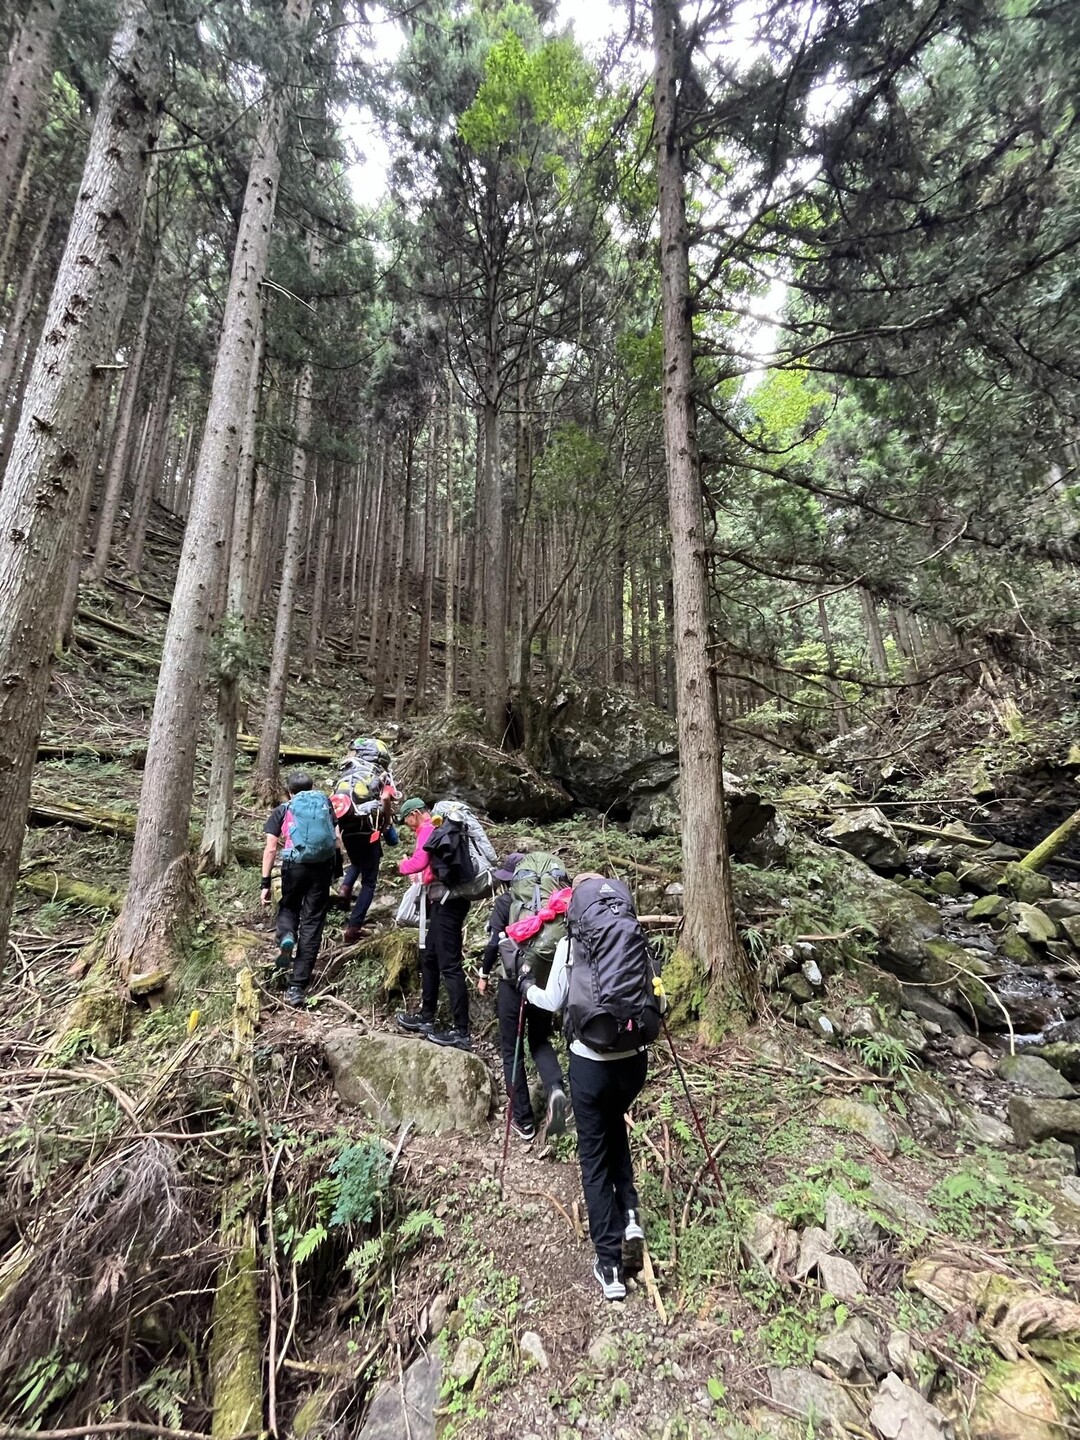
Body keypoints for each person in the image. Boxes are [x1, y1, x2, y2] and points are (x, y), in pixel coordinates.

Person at [523, 872, 660, 1302]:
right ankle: (631, 1214)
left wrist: (525, 983)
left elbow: (553, 999)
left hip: (590, 1066)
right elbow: (660, 997)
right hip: (633, 1063)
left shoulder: (572, 945)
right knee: (615, 1127)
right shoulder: (635, 937)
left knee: (594, 1159)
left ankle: (609, 1266)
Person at [479, 853, 567, 1143]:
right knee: (539, 1039)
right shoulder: (554, 899)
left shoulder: (506, 902)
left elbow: (494, 942)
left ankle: (524, 1121)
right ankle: (555, 1088)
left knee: (511, 1049)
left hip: (512, 981)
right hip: (542, 981)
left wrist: (483, 972)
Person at [394, 798, 472, 1051]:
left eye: (407, 820)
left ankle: (461, 1031)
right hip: (443, 900)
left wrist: (401, 867)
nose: (407, 826)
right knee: (429, 957)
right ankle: (426, 1016)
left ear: (415, 814)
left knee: (449, 965)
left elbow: (419, 862)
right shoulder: (435, 829)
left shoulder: (427, 829)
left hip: (449, 902)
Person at [261, 771, 338, 1007]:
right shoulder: (324, 804)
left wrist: (265, 882)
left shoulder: (284, 809)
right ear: (311, 786)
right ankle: (297, 987)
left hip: (295, 866)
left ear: (289, 791)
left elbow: (271, 848)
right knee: (313, 922)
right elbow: (335, 837)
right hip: (322, 867)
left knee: (289, 906)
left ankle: (286, 936)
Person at [337, 784, 399, 944]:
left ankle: (345, 888)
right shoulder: (379, 778)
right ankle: (354, 927)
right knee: (369, 883)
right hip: (369, 835)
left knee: (356, 862)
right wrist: (386, 820)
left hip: (349, 833)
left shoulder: (348, 782)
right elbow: (385, 798)